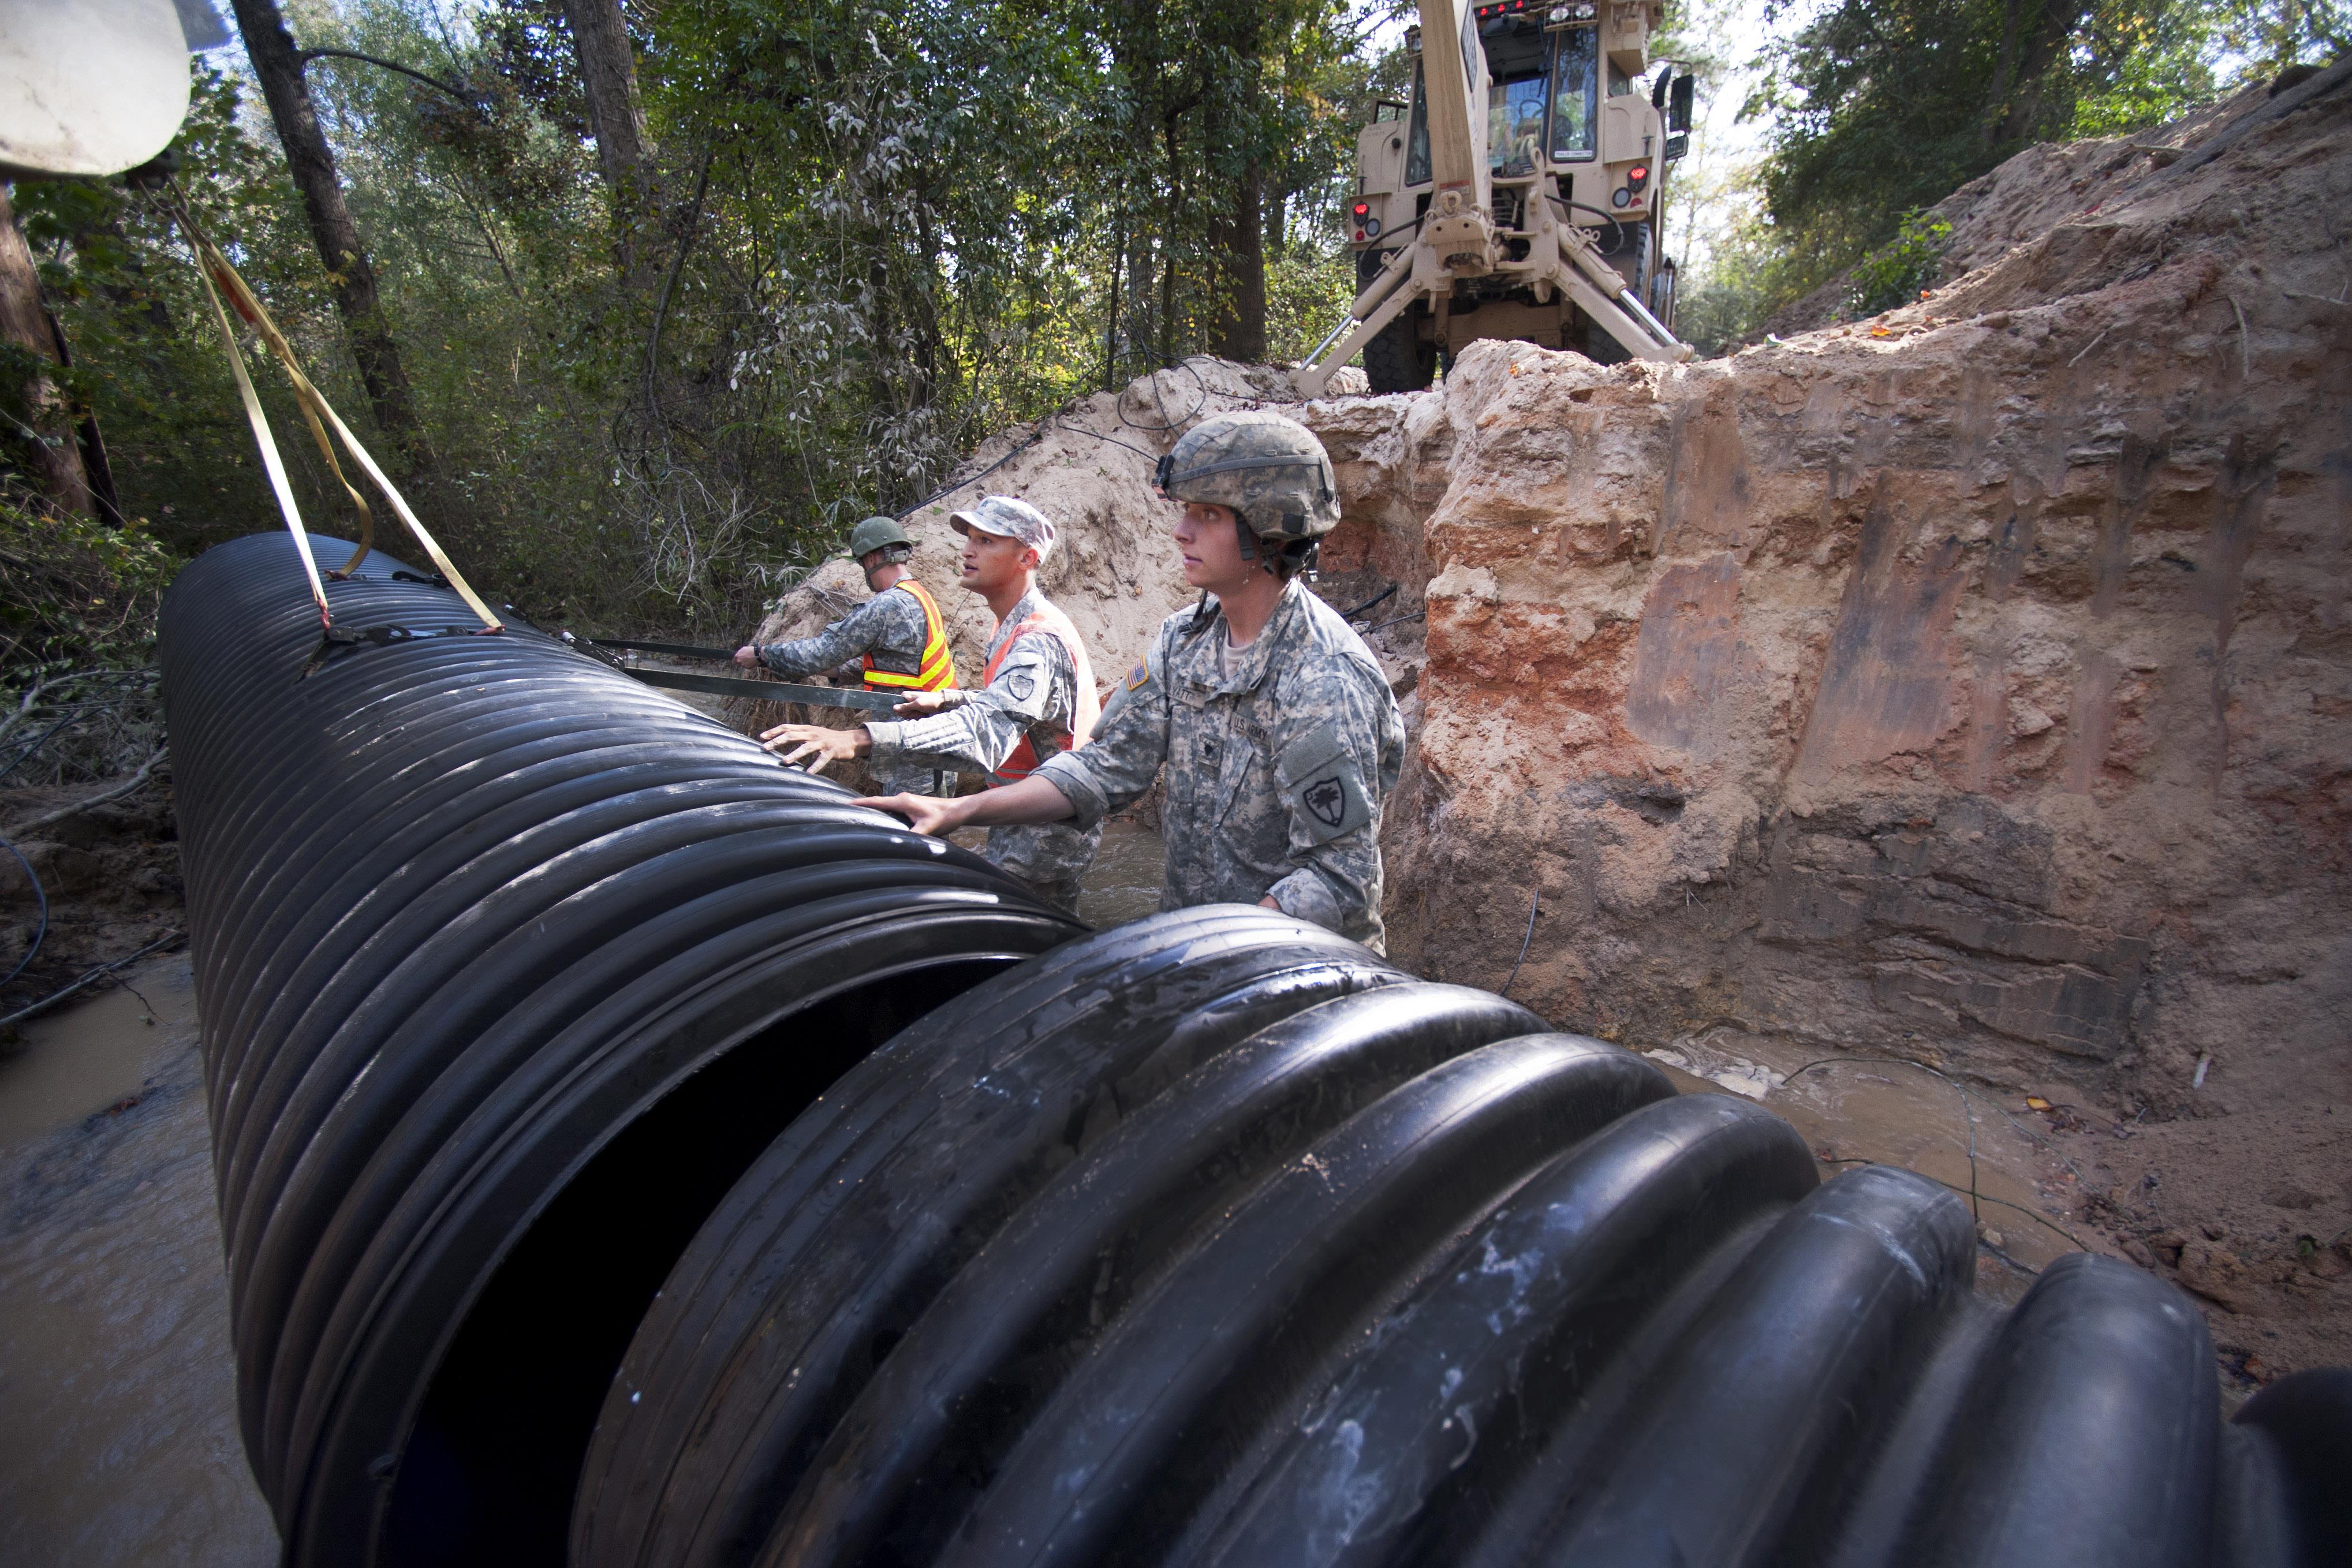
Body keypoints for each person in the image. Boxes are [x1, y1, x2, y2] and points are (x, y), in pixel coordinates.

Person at [857, 413, 1405, 953]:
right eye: (1187, 510)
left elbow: (1340, 878)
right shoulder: (1183, 643)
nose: (1181, 530)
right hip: (1204, 958)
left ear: (1270, 532)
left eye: (1209, 515)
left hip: (1297, 978)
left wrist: (1213, 950)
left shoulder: (1325, 679)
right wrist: (962, 811)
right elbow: (1104, 767)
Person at [763, 495, 1103, 916]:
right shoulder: (1013, 624)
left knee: (1026, 946)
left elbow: (986, 730)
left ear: (1027, 557)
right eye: (969, 538)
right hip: (1026, 812)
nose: (968, 550)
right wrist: (948, 698)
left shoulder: (1036, 638)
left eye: (986, 541)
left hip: (1045, 827)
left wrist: (860, 738)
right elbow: (1025, 706)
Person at [733, 514, 957, 796]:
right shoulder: (919, 596)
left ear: (874, 558)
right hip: (931, 740)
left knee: (909, 831)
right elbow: (899, 668)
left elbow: (822, 653)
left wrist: (762, 655)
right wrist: (837, 671)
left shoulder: (889, 604)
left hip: (912, 748)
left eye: (863, 561)